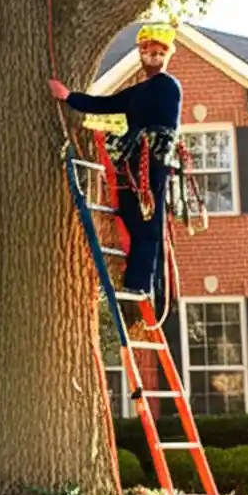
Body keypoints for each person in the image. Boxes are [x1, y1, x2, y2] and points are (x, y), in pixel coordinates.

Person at [48, 22, 183, 328]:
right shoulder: (136, 92)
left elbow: (161, 126)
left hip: (154, 159)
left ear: (166, 57)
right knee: (130, 216)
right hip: (134, 160)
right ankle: (132, 285)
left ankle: (138, 287)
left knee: (147, 226)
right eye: (150, 51)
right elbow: (105, 104)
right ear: (141, 54)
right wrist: (69, 97)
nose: (155, 57)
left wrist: (135, 140)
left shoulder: (168, 86)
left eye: (161, 52)